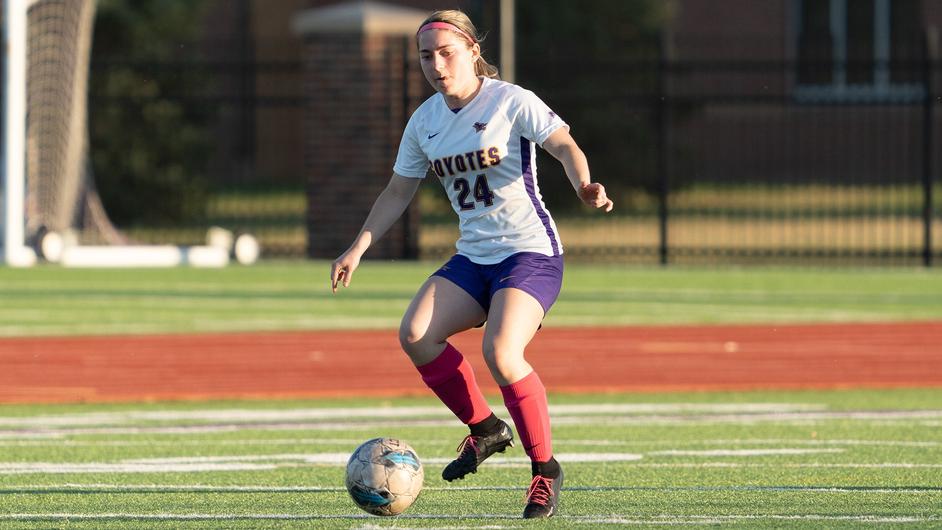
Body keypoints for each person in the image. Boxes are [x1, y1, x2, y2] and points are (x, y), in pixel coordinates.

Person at [330, 9, 613, 519]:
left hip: (529, 254)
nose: (436, 65)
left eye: (446, 53)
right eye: (426, 56)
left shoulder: (510, 101)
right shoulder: (425, 121)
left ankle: (545, 471)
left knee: (502, 353)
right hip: (474, 257)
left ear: (472, 53)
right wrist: (357, 247)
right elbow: (398, 191)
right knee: (415, 334)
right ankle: (484, 429)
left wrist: (584, 185)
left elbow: (564, 144)